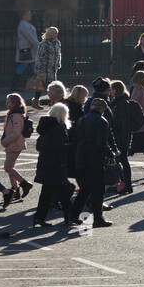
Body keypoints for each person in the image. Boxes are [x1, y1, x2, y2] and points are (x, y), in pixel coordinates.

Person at [69, 98, 118, 228]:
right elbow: (101, 143)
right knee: (98, 190)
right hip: (94, 159)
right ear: (103, 109)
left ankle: (73, 215)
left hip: (80, 157)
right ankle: (98, 218)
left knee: (85, 189)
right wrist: (111, 153)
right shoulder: (102, 121)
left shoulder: (82, 120)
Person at [32, 103, 77, 227]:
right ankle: (70, 218)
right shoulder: (58, 128)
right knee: (64, 192)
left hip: (46, 164)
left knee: (46, 194)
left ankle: (39, 218)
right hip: (57, 165)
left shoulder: (46, 126)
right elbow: (59, 147)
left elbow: (39, 146)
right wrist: (71, 146)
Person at [1, 92, 32, 203]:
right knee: (10, 168)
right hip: (12, 144)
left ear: (15, 103)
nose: (7, 103)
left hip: (15, 144)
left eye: (9, 101)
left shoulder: (17, 116)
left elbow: (16, 133)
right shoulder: (12, 114)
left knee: (8, 167)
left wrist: (5, 141)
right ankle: (15, 190)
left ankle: (25, 184)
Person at [108, 79, 135, 195]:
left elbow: (122, 124)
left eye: (111, 89)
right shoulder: (119, 102)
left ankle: (127, 185)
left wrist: (121, 140)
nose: (110, 91)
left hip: (122, 137)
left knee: (123, 161)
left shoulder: (121, 104)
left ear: (115, 90)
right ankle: (123, 184)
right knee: (121, 161)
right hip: (122, 136)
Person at [31, 26, 61, 106]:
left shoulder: (57, 42)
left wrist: (58, 64)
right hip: (44, 68)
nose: (56, 34)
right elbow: (39, 56)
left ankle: (53, 102)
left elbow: (59, 54)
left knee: (52, 87)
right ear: (50, 34)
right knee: (40, 86)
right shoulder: (44, 43)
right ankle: (36, 102)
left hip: (52, 69)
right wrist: (38, 68)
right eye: (55, 33)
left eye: (57, 33)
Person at [15, 10, 39, 90]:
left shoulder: (25, 24)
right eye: (28, 14)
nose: (30, 15)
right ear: (24, 16)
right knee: (25, 66)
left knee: (31, 66)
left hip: (29, 49)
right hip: (27, 50)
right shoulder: (24, 25)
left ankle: (35, 85)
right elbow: (30, 38)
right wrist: (38, 45)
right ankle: (15, 85)